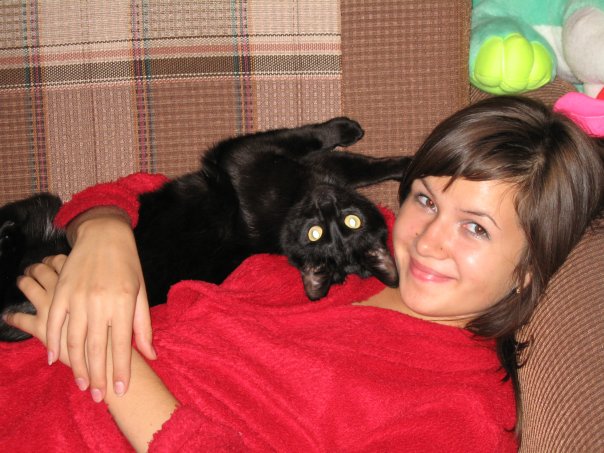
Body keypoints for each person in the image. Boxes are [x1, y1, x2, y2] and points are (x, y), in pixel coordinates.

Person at [3, 96, 603, 452]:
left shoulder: (460, 416)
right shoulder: (356, 248)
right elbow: (167, 194)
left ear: (528, 270)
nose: (428, 239)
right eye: (425, 199)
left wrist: (108, 358)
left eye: (475, 228)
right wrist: (103, 236)